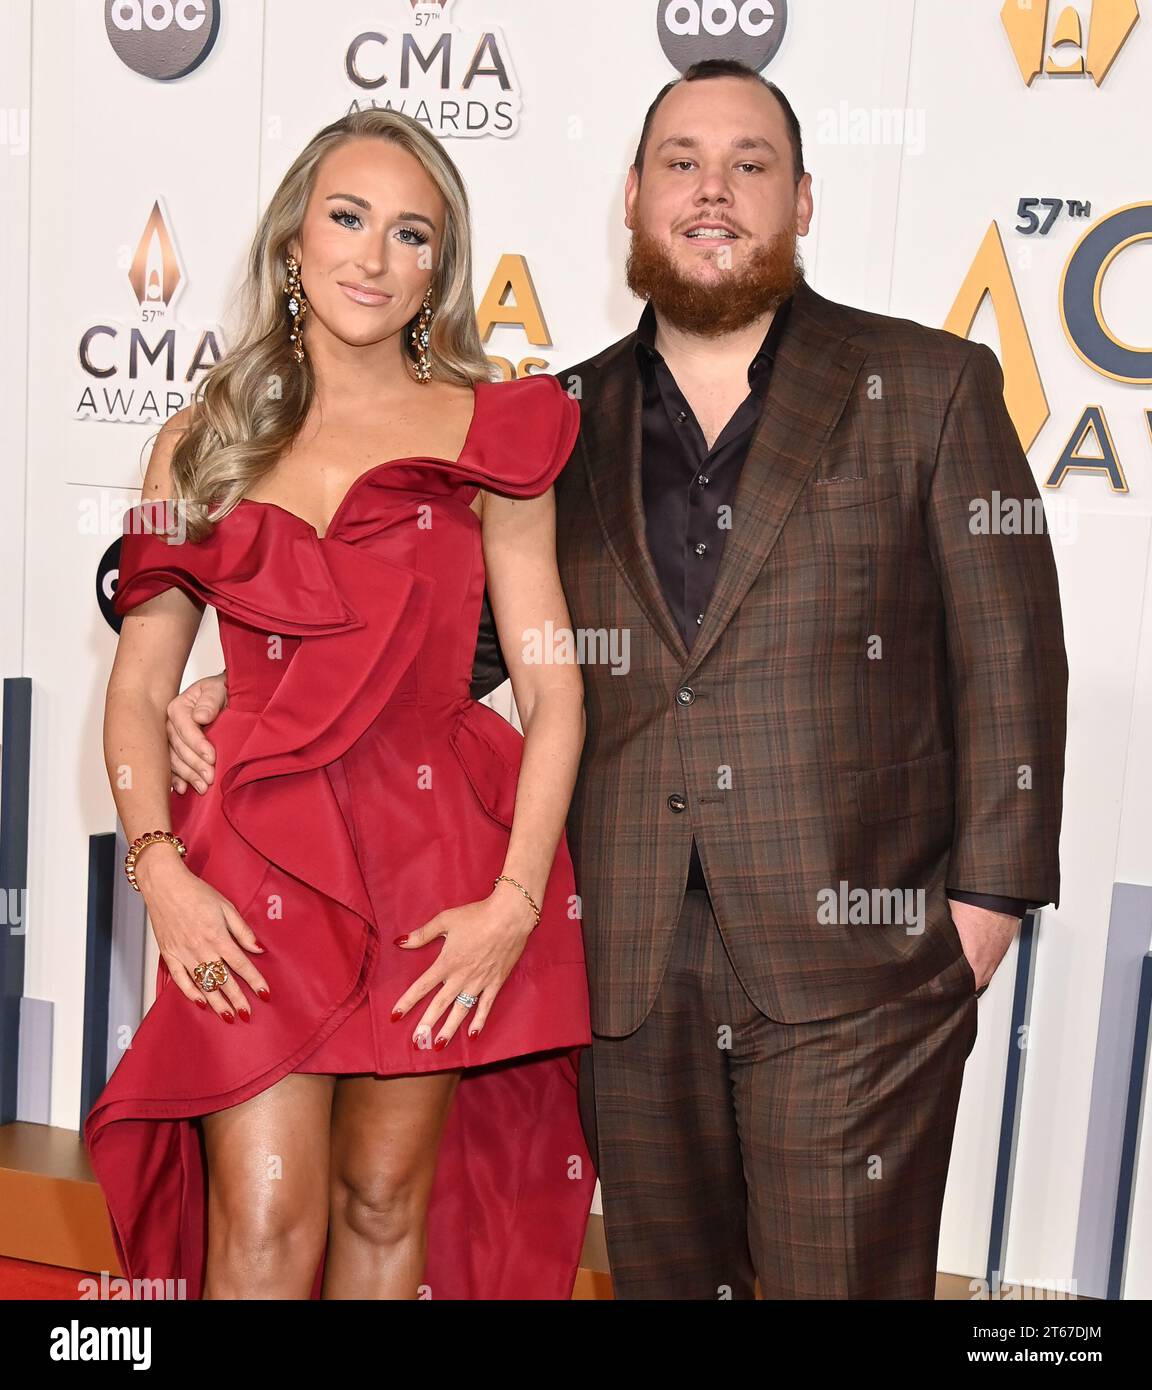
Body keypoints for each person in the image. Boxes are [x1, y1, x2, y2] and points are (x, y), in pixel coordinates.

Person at [165, 61, 1068, 1299]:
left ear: (803, 199)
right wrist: (253, 687)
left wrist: (982, 917)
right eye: (682, 164)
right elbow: (461, 641)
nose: (714, 191)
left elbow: (1013, 655)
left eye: (750, 165)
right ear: (632, 197)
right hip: (630, 973)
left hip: (857, 974)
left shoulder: (924, 385)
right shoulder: (556, 418)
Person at [84, 108, 594, 1302]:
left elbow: (555, 690)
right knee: (261, 1220)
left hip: (436, 868)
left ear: (437, 271)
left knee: (381, 1207)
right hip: (250, 858)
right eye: (347, 218)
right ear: (293, 244)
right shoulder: (194, 446)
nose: (372, 255)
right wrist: (159, 872)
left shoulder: (494, 432)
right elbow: (141, 686)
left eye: (410, 234)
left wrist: (514, 903)